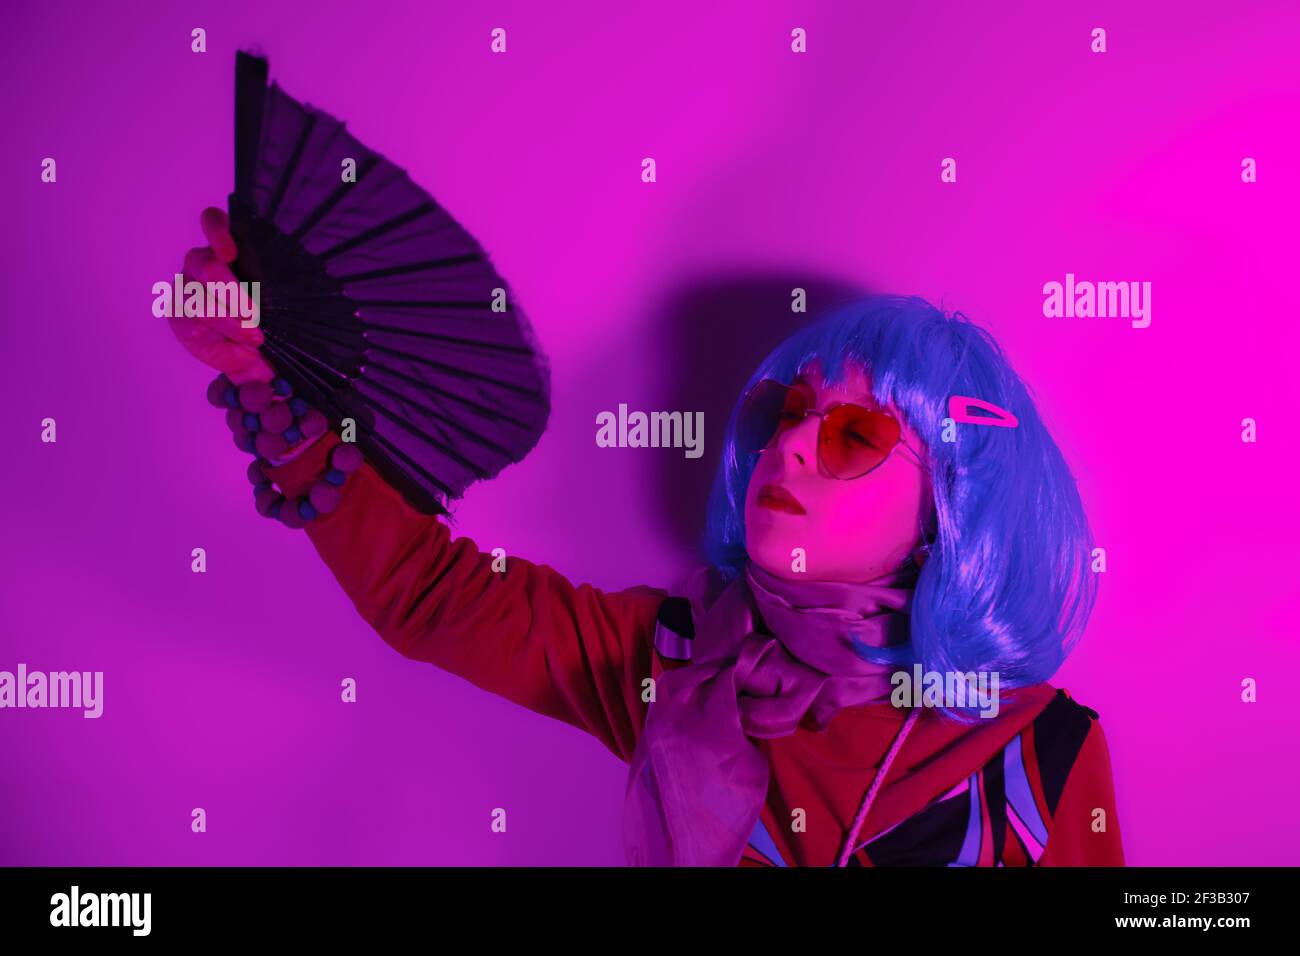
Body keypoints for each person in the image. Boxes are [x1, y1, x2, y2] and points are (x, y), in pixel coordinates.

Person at [169, 207, 1124, 867]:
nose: (789, 445)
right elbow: (430, 595)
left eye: (853, 435)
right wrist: (270, 379)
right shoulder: (675, 663)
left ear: (946, 516)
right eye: (785, 414)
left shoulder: (1044, 749)